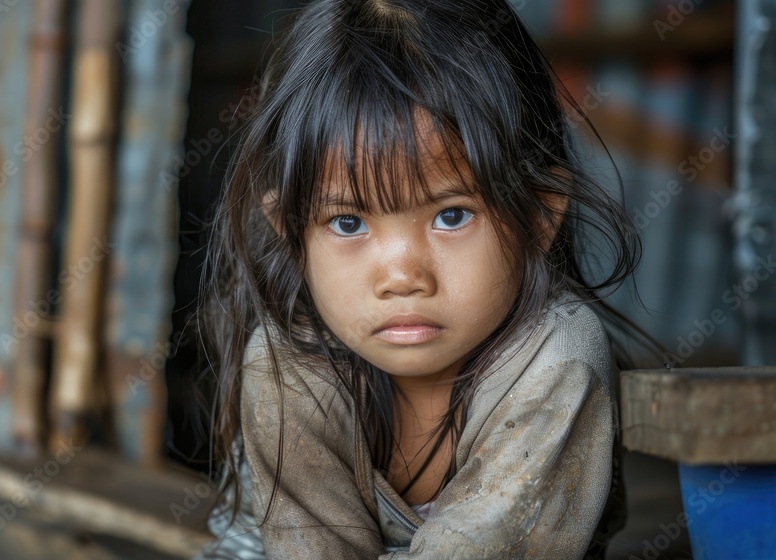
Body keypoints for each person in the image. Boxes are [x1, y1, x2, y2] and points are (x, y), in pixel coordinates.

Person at [194, 0, 647, 557]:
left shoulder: (557, 362)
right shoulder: (290, 367)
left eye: (451, 215)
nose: (402, 276)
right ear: (290, 233)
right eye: (347, 222)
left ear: (538, 217)